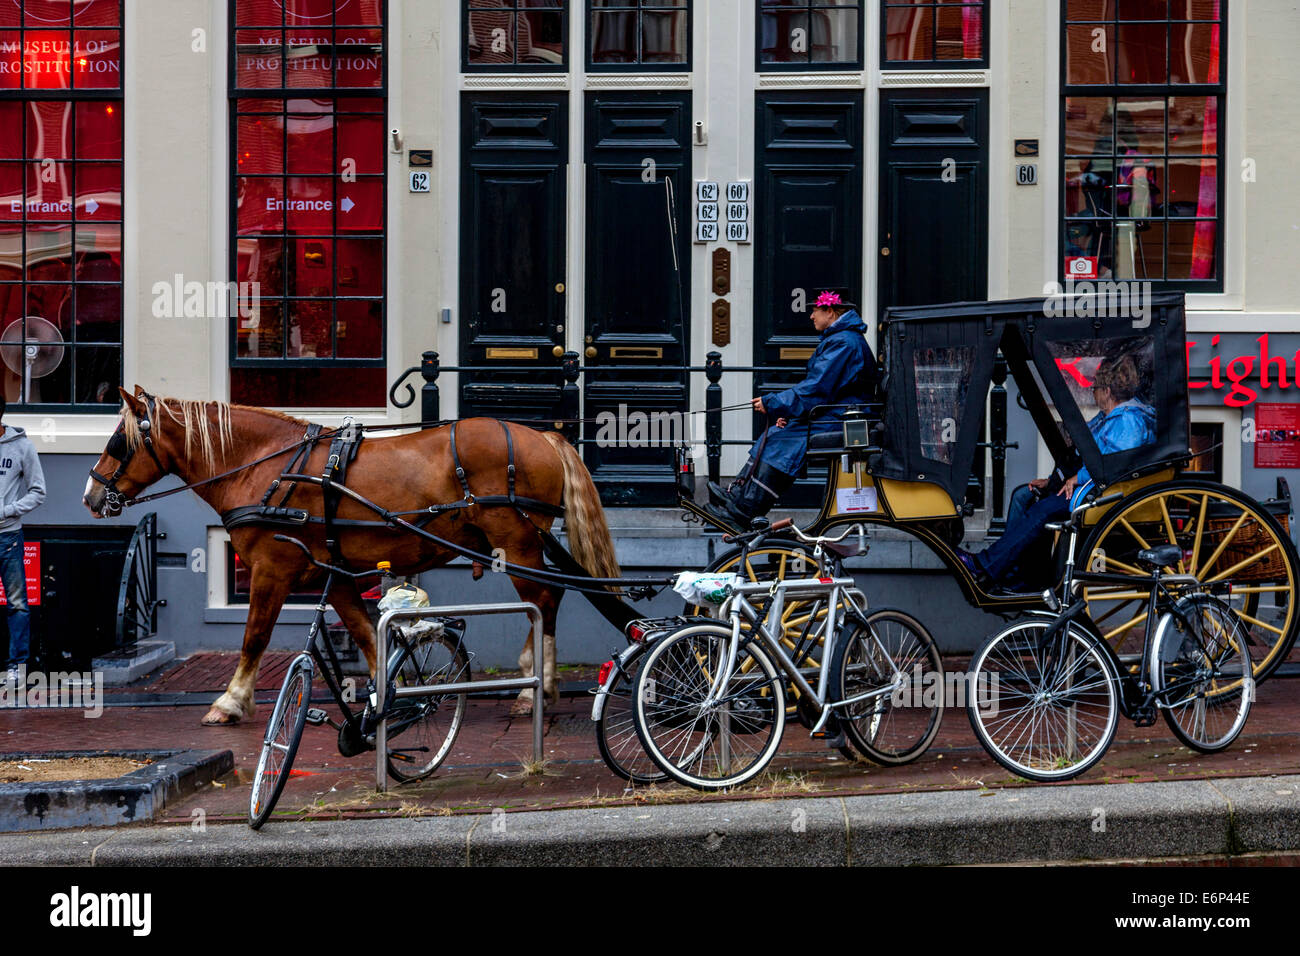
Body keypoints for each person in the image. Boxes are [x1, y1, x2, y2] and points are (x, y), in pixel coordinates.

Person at [958, 353, 1154, 589]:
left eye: (1095, 388)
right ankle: (1013, 572)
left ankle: (989, 565)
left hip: (1102, 493)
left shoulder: (1128, 422)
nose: (1092, 393)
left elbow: (1116, 464)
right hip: (1091, 486)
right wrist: (1054, 480)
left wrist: (1077, 478)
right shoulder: (1109, 418)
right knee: (1023, 495)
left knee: (1042, 509)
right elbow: (1081, 453)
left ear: (1107, 391)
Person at [706, 291, 879, 528]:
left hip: (841, 418)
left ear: (829, 312)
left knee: (783, 440)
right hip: (835, 413)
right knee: (777, 435)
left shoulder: (844, 342)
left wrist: (774, 403)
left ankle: (746, 509)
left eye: (815, 311)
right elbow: (823, 389)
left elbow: (817, 388)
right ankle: (739, 496)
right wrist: (790, 412)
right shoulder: (843, 339)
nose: (810, 316)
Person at [0, 395, 45, 683]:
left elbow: (38, 491)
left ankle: (18, 667)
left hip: (9, 537)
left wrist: (7, 511)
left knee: (17, 602)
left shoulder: (22, 447)